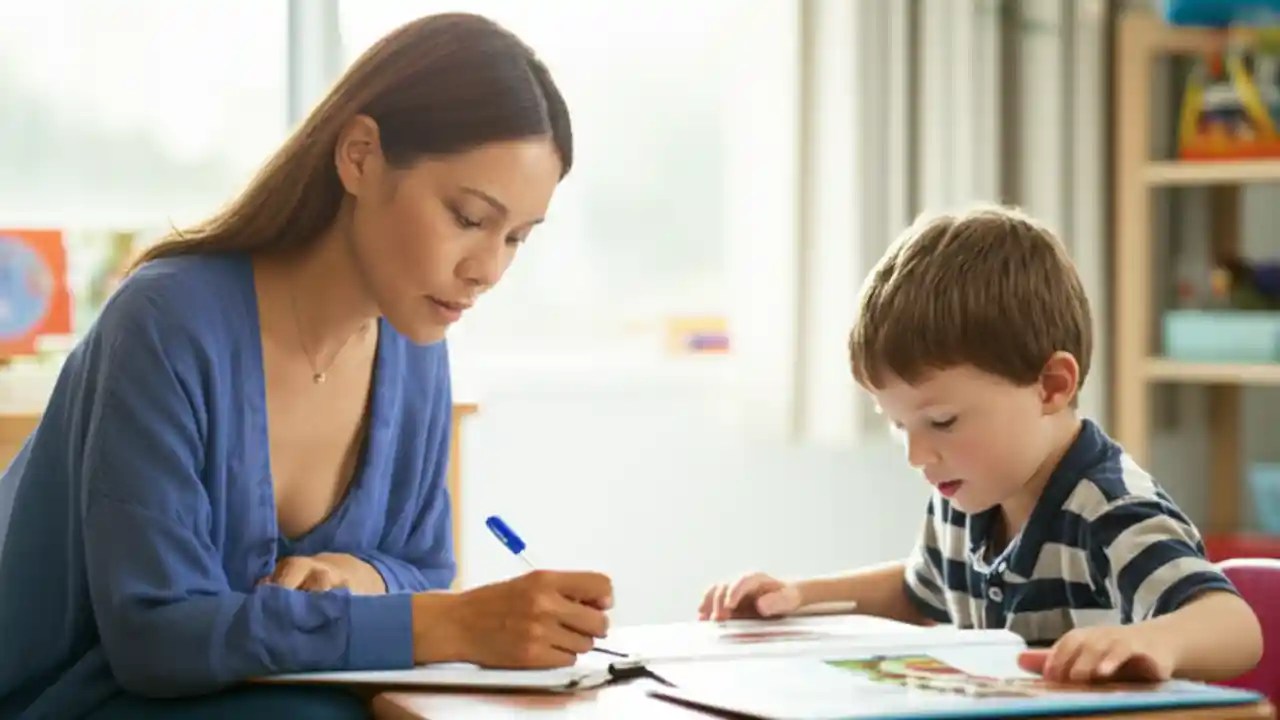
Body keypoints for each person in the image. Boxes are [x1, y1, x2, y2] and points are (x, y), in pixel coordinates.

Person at [0, 13, 613, 720]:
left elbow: (421, 568)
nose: (488, 270)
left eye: (516, 238)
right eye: (470, 218)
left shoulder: (417, 344)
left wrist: (362, 577)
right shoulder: (167, 323)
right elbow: (155, 636)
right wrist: (447, 623)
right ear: (359, 156)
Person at [698, 206, 1263, 685]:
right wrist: (797, 595)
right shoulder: (966, 495)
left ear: (1050, 386)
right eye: (900, 426)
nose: (917, 455)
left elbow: (1234, 624)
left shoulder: (1109, 509)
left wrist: (1151, 642)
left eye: (941, 421)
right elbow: (917, 592)